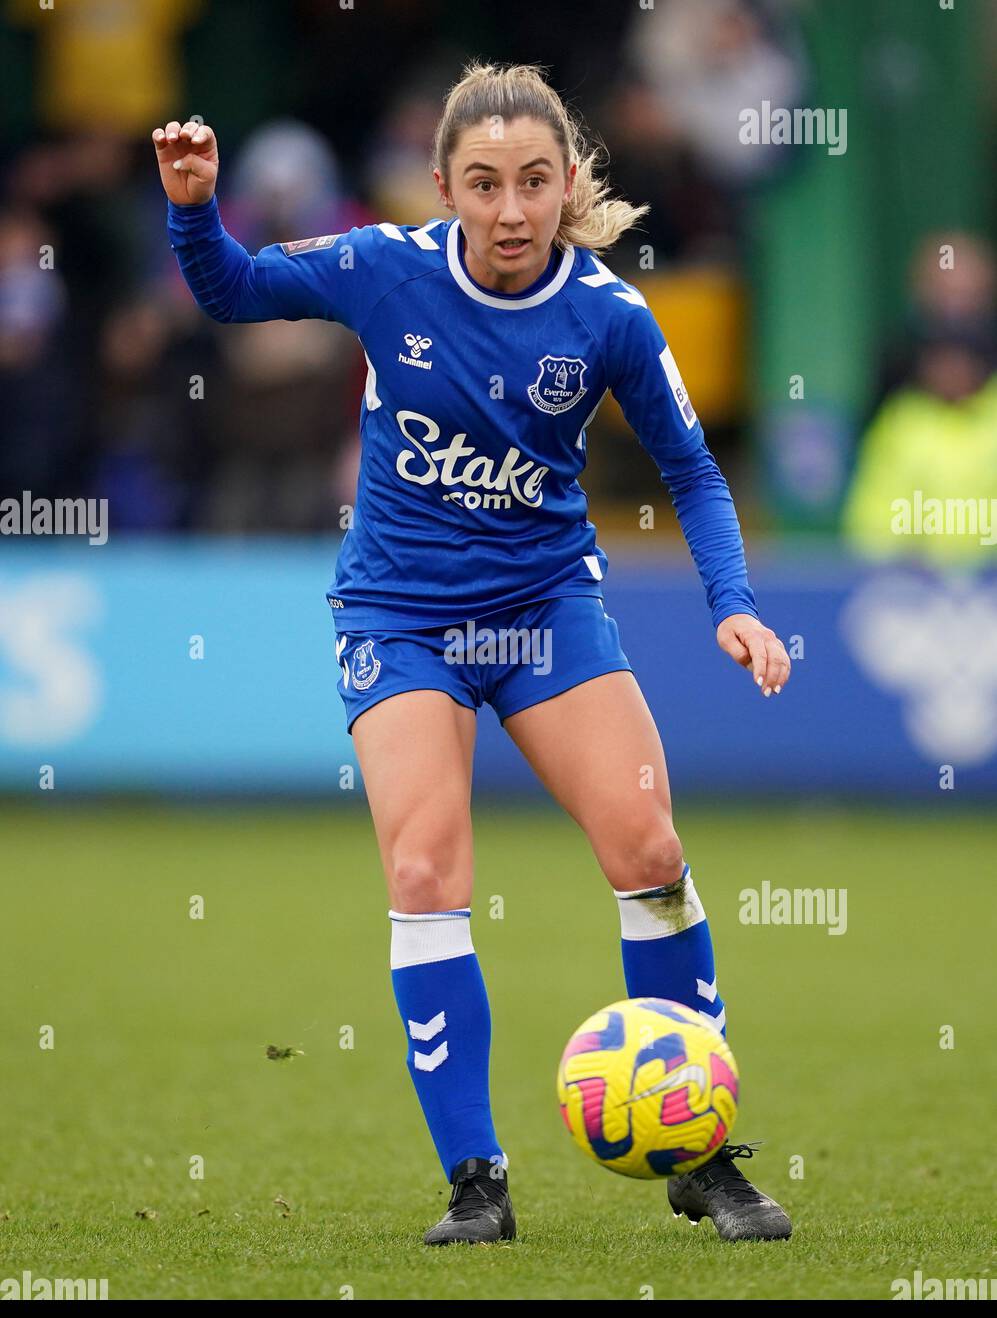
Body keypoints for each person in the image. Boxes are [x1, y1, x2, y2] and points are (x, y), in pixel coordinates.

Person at [154, 60, 793, 1245]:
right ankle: (475, 1182)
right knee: (424, 872)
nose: (510, 210)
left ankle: (699, 1154)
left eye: (535, 182)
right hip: (400, 618)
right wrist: (195, 204)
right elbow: (233, 291)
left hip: (547, 608)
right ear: (444, 185)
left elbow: (695, 471)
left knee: (649, 847)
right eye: (485, 183)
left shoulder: (608, 315)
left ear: (566, 187)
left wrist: (733, 602)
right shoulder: (384, 268)